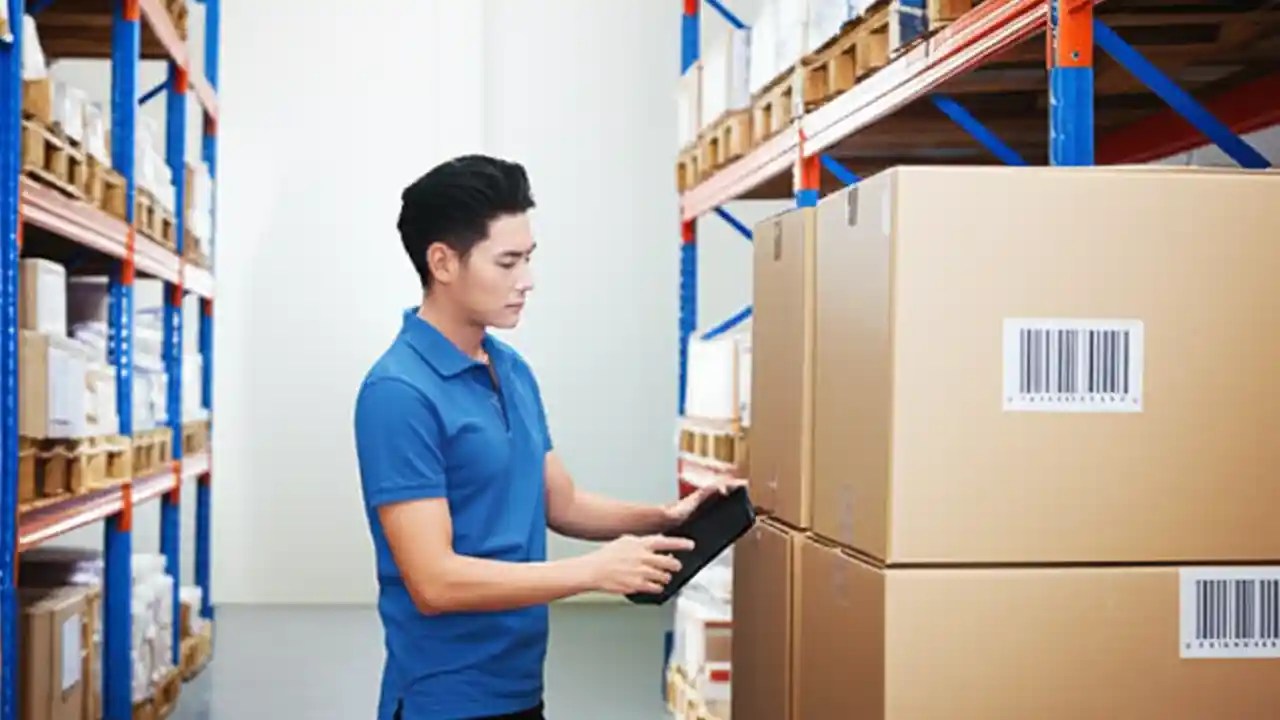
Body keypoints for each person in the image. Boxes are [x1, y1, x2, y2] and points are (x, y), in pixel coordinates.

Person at [353, 154, 738, 720]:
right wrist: (593, 572)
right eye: (507, 262)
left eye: (528, 259)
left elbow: (563, 502)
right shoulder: (398, 393)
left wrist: (667, 517)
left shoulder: (509, 369)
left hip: (519, 682)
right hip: (446, 697)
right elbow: (433, 580)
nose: (527, 280)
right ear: (443, 262)